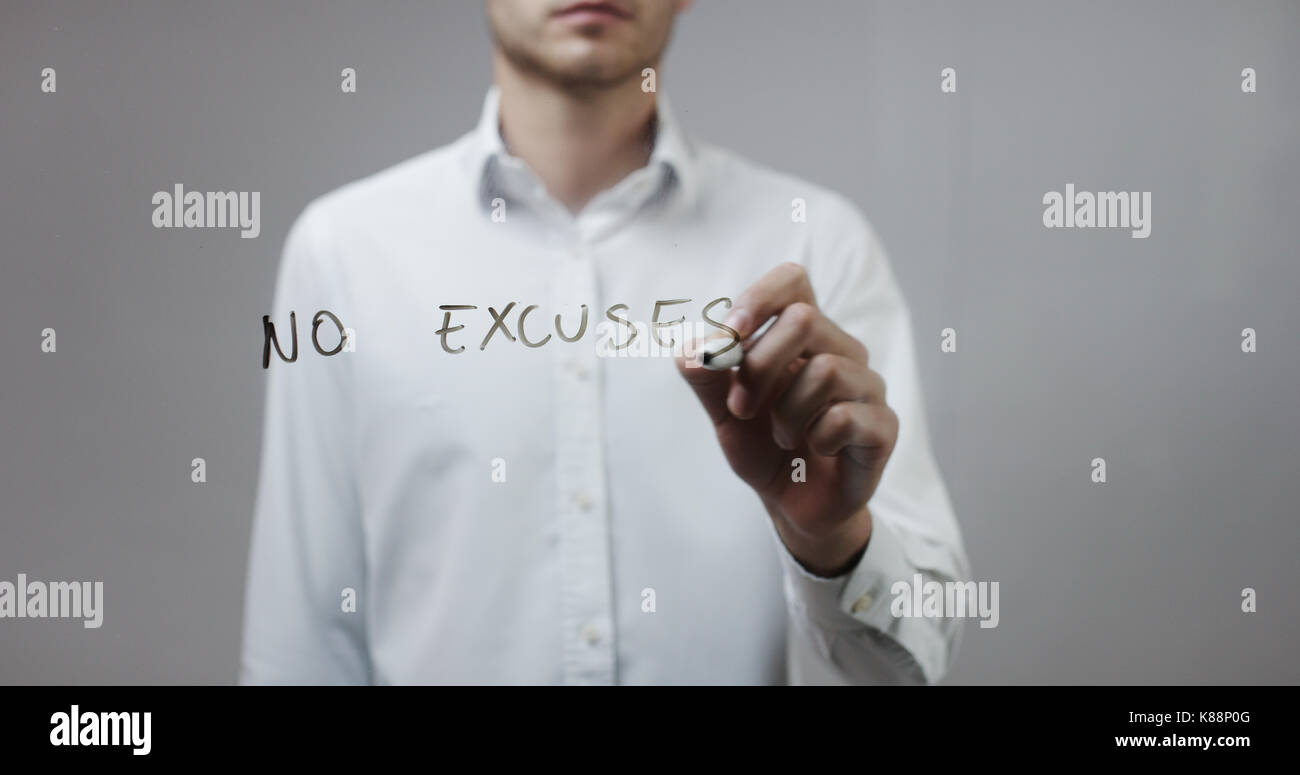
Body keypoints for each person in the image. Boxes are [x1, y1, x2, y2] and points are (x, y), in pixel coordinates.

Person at [240, 0, 970, 685]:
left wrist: (831, 541)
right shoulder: (341, 254)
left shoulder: (817, 245)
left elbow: (912, 664)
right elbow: (300, 650)